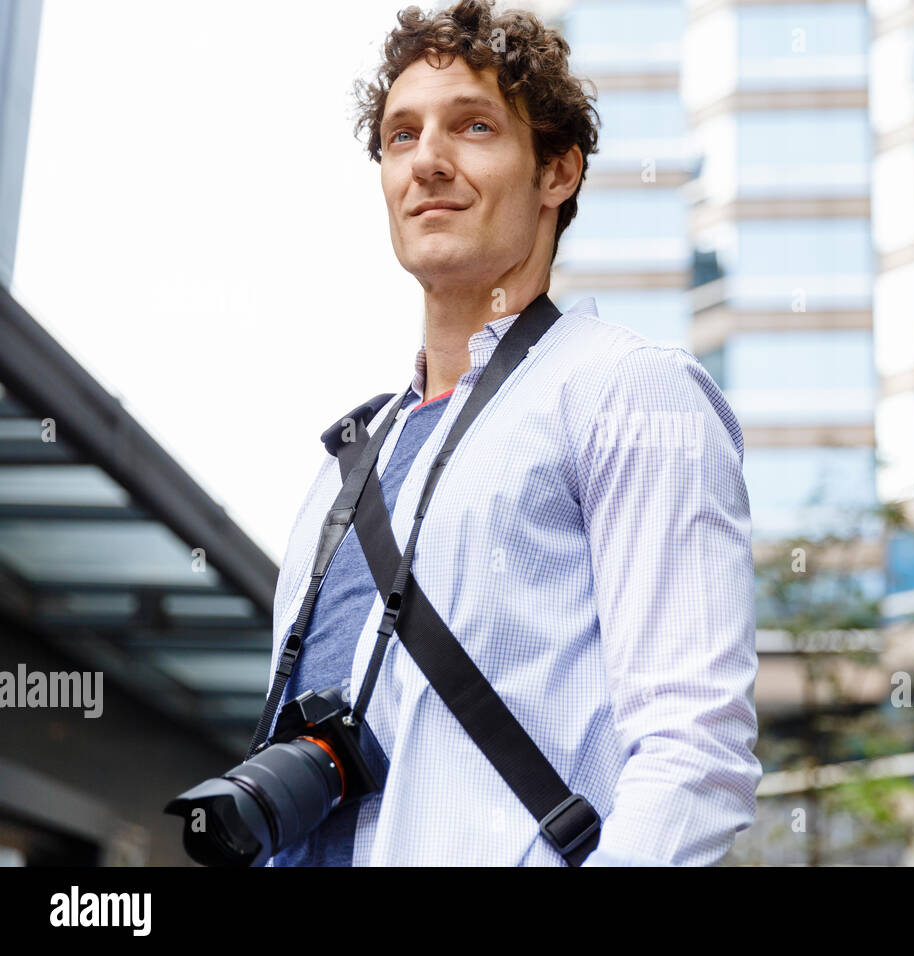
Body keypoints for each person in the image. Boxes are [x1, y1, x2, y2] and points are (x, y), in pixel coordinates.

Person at [263, 0, 761, 866]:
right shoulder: (347, 460)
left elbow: (695, 750)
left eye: (474, 126)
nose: (428, 161)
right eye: (400, 135)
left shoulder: (625, 390)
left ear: (556, 171)